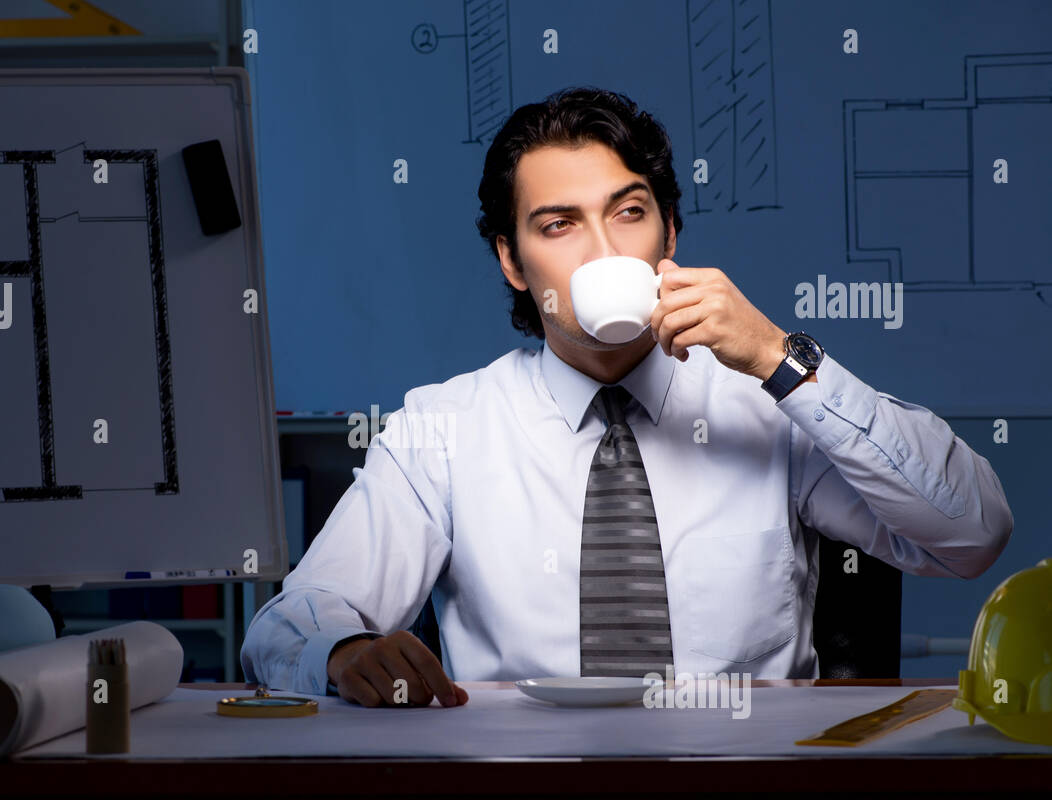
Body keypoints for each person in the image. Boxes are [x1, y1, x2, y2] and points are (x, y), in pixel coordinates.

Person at [240, 87, 1014, 708]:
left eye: (629, 212)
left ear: (669, 235)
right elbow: (286, 626)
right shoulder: (443, 430)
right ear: (513, 261)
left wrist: (782, 359)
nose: (604, 251)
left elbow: (973, 532)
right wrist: (344, 652)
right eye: (559, 225)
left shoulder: (768, 405)